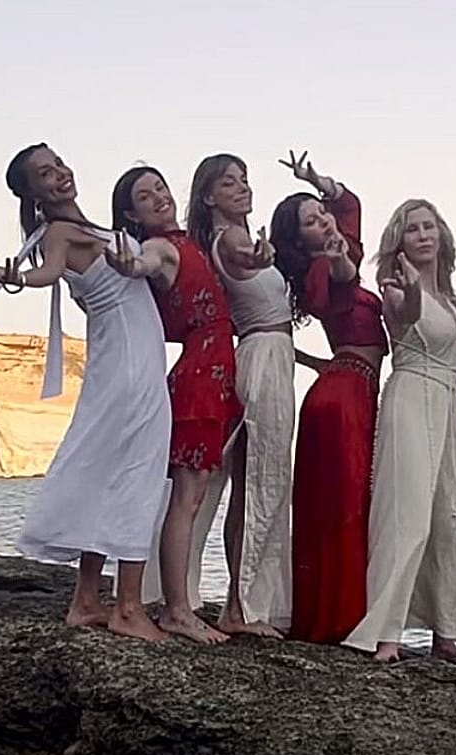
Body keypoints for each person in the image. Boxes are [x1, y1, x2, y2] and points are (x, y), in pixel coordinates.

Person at [0, 143, 172, 641]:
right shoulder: (60, 232)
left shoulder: (87, 227)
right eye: (45, 174)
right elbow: (50, 270)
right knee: (137, 473)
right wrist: (19, 279)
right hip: (130, 364)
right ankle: (128, 607)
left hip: (123, 357)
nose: (60, 174)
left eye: (59, 163)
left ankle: (86, 599)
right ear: (34, 193)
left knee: (111, 471)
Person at [342, 199, 456, 663]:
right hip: (411, 395)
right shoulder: (396, 286)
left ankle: (445, 634)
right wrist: (415, 291)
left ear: (440, 234)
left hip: (450, 403)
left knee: (450, 517)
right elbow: (405, 314)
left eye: (428, 227)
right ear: (399, 242)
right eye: (412, 229)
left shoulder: (452, 300)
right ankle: (386, 632)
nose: (422, 235)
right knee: (408, 517)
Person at [110, 165, 243, 644]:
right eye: (146, 196)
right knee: (187, 499)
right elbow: (143, 263)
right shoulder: (159, 248)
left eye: (161, 188)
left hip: (211, 371)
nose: (159, 198)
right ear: (132, 213)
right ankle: (177, 609)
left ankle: (176, 604)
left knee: (194, 494)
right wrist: (129, 263)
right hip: (199, 377)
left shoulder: (185, 241)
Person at [269, 151, 386, 644]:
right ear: (302, 242)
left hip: (345, 384)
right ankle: (340, 621)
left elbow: (350, 202)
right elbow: (341, 280)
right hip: (343, 403)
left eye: (323, 216)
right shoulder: (323, 270)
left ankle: (339, 614)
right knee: (345, 506)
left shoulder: (344, 246)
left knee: (341, 503)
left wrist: (315, 181)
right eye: (313, 224)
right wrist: (336, 256)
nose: (326, 224)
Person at [184, 153, 292, 637]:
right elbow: (245, 263)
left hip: (270, 352)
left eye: (244, 179)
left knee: (252, 484)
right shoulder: (231, 239)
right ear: (209, 197)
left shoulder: (226, 238)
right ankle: (239, 607)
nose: (241, 187)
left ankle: (241, 602)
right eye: (229, 182)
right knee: (260, 483)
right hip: (263, 359)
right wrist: (261, 258)